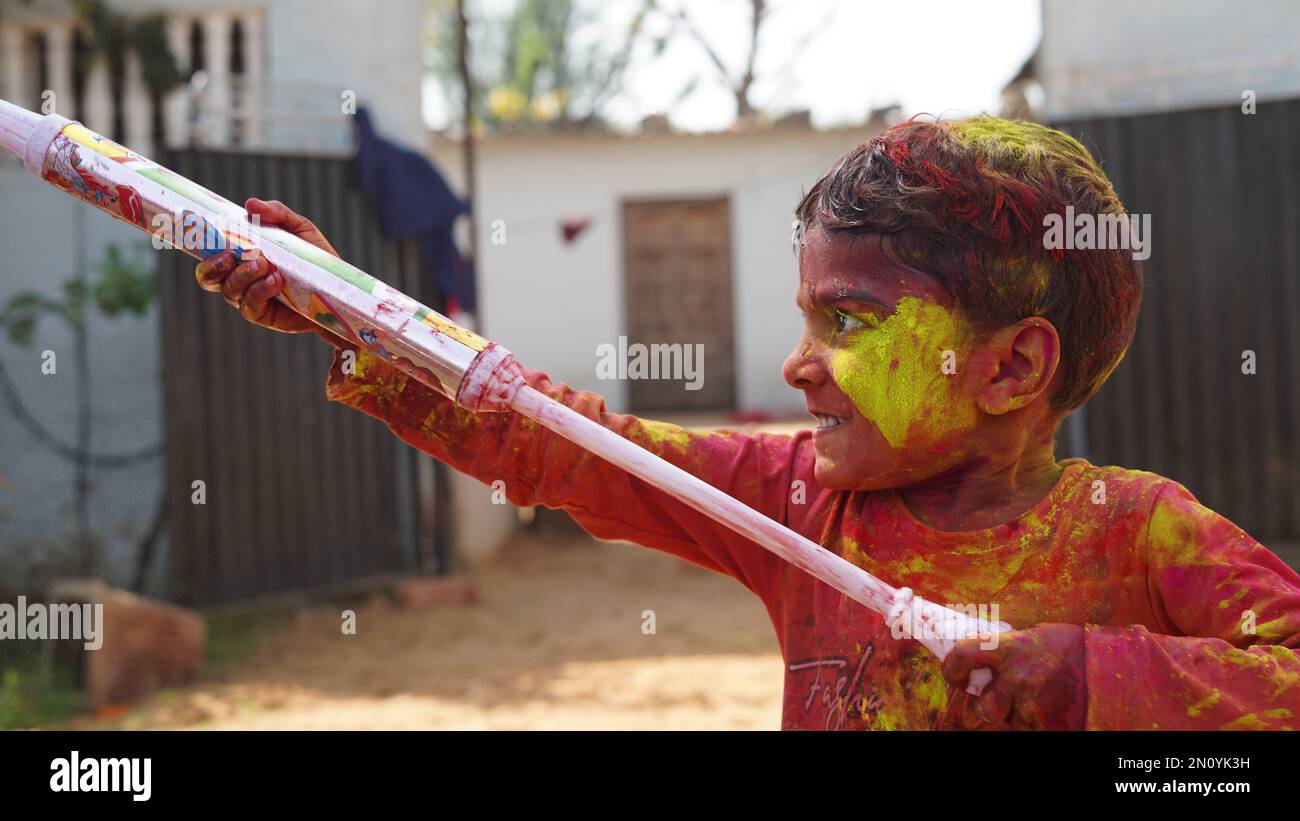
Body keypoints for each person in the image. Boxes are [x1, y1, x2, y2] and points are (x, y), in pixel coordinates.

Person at [194, 116, 1300, 730]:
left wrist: (1083, 679)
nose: (796, 363)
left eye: (850, 320)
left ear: (1011, 365)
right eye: (806, 313)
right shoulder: (798, 500)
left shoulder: (1137, 531)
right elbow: (555, 442)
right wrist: (366, 324)